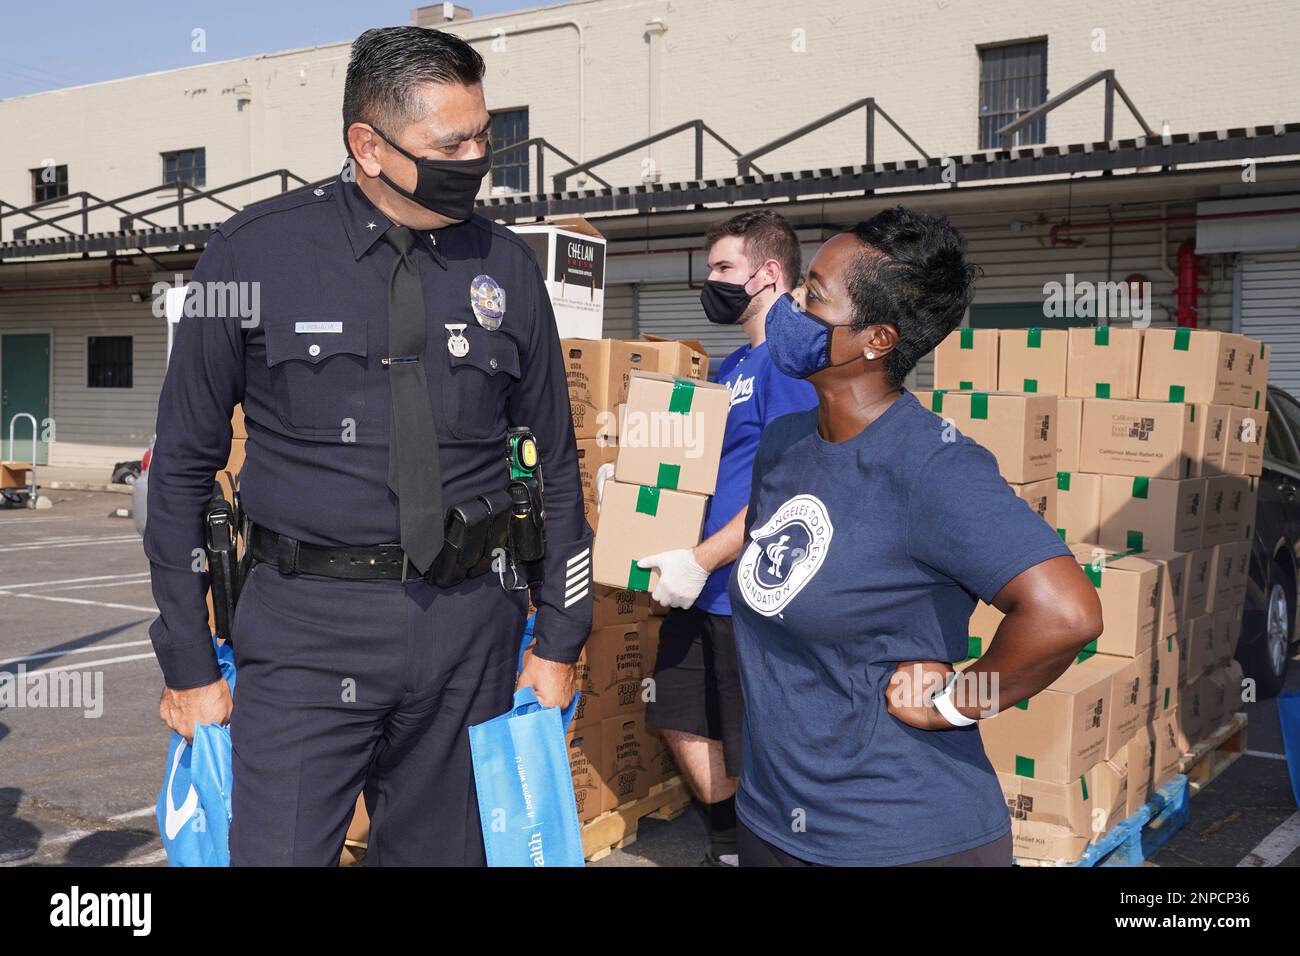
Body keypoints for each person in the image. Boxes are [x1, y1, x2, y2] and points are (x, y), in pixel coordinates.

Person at [143, 26, 591, 866]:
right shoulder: (253, 254)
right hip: (307, 634)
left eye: (483, 135)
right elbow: (177, 475)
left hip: (471, 634)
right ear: (369, 145)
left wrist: (561, 638)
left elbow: (555, 468)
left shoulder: (505, 265)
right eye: (449, 142)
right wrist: (188, 663)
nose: (477, 156)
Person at [729, 206, 1104, 866]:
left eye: (812, 294)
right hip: (770, 820)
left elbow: (1067, 613)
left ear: (875, 340)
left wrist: (961, 701)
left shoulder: (934, 465)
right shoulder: (786, 444)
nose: (788, 301)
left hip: (901, 837)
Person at [636, 211, 817, 866]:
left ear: (768, 273)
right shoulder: (730, 364)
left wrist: (703, 557)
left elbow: (788, 490)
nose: (710, 282)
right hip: (699, 587)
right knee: (680, 716)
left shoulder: (792, 363)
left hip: (752, 595)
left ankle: (768, 849)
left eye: (722, 268)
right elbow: (696, 467)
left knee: (754, 743)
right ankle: (730, 845)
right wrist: (632, 483)